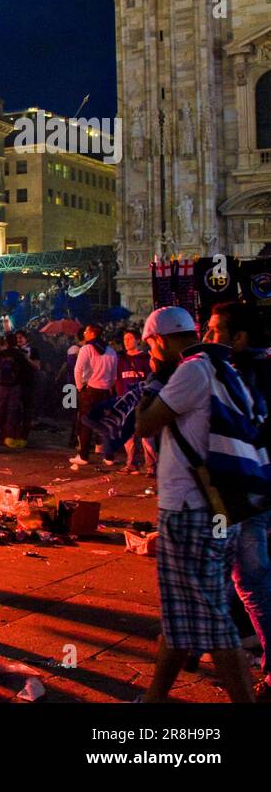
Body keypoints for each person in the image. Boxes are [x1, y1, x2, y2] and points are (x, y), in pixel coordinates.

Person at [135, 306, 258, 703]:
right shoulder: (223, 366)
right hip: (219, 505)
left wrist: (154, 377)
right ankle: (154, 697)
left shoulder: (190, 371)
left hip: (190, 509)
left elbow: (144, 424)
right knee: (181, 615)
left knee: (212, 618)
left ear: (160, 341)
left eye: (151, 344)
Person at [206, 301, 271, 702]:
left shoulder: (242, 375)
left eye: (215, 331)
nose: (209, 338)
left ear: (240, 338)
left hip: (250, 491)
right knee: (241, 577)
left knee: (251, 580)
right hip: (258, 488)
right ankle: (237, 637)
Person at [71, 322, 119, 467]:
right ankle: (108, 456)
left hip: (90, 390)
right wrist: (109, 386)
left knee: (85, 424)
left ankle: (84, 456)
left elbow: (78, 369)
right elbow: (114, 375)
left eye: (86, 332)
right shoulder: (111, 351)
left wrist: (79, 387)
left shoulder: (87, 349)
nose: (84, 334)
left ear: (92, 333)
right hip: (105, 391)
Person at [116, 327, 155, 475]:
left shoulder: (145, 358)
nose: (126, 342)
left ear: (138, 340)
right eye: (125, 339)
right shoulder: (121, 360)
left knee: (146, 435)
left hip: (142, 401)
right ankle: (130, 463)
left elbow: (151, 380)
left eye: (130, 338)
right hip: (126, 402)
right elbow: (118, 380)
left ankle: (151, 465)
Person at [0, 334, 34, 447]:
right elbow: (26, 370)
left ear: (6, 342)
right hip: (15, 386)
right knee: (12, 412)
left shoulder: (1, 354)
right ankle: (8, 437)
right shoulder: (20, 355)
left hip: (0, 386)